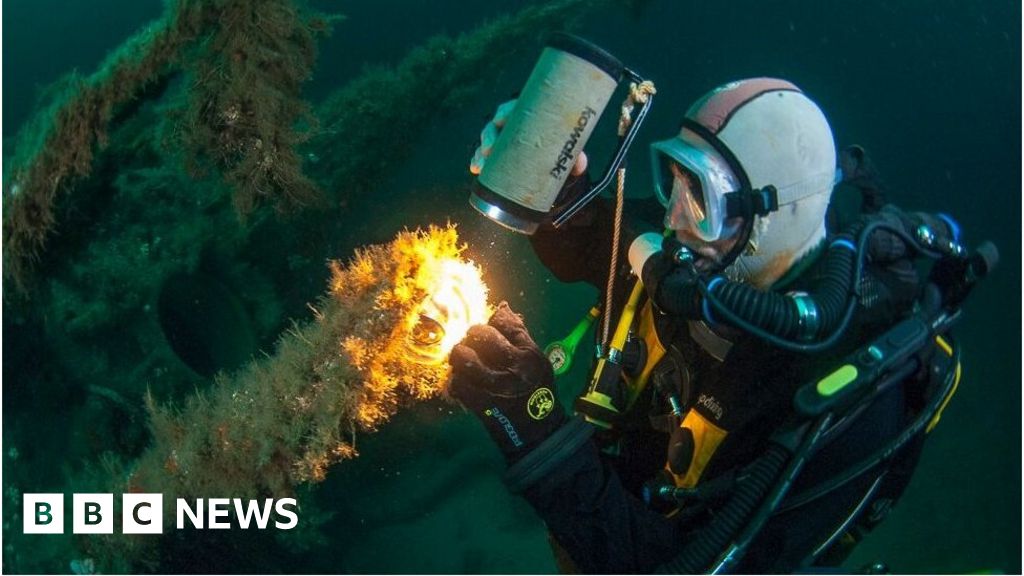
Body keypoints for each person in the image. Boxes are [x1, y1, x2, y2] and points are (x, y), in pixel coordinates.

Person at [448, 78, 975, 573]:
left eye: (699, 194)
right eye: (673, 180)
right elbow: (595, 244)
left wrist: (536, 431)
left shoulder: (846, 402)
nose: (673, 219)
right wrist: (558, 189)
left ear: (770, 218)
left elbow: (677, 566)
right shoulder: (704, 245)